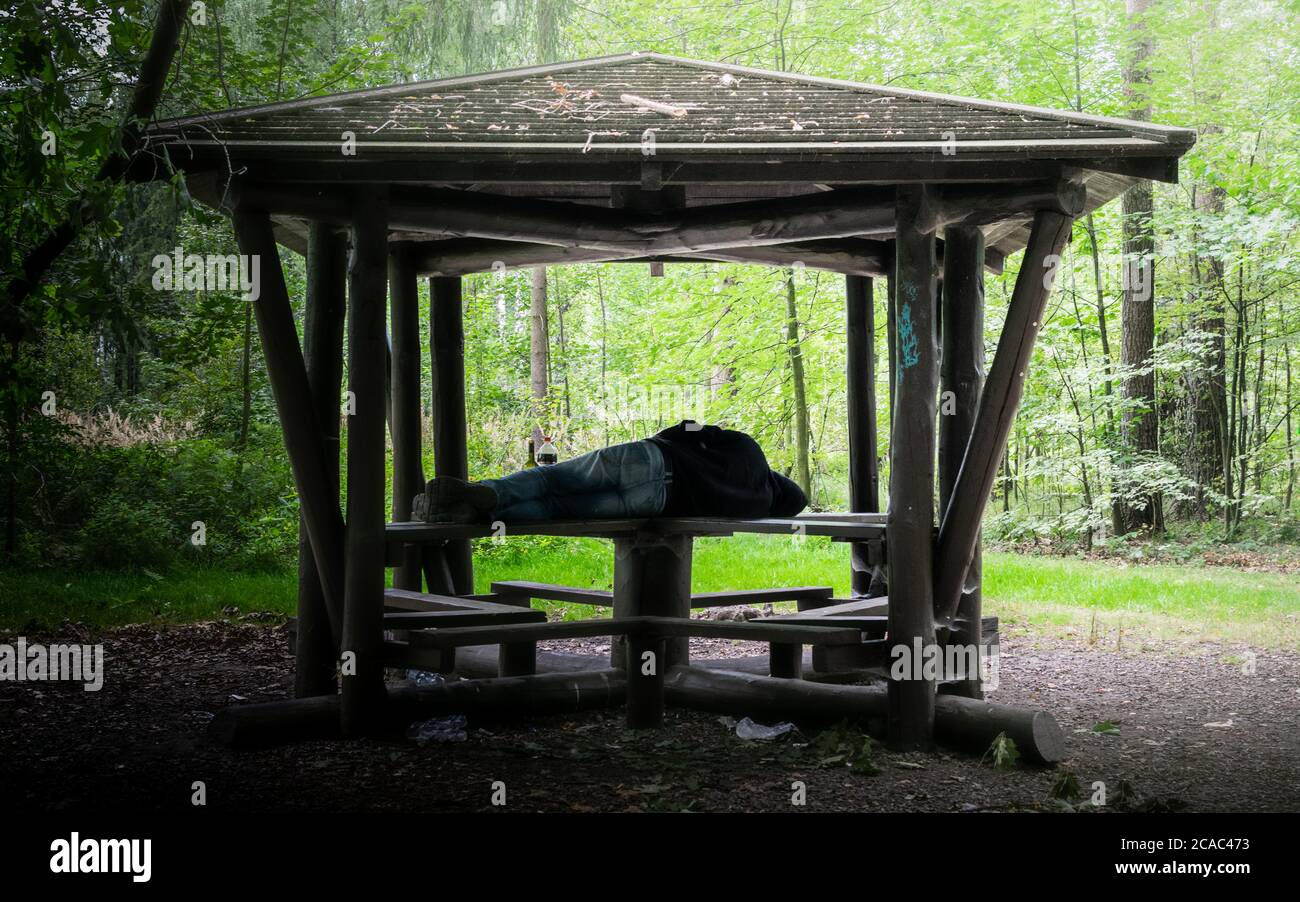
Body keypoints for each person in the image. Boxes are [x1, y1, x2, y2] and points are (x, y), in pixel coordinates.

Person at [413, 420, 807, 524]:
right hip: (651, 502)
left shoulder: (751, 452)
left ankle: (488, 493)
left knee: (552, 477)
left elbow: (695, 428)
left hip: (652, 459)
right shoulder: (755, 508)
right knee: (557, 508)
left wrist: (664, 438)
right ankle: (482, 515)